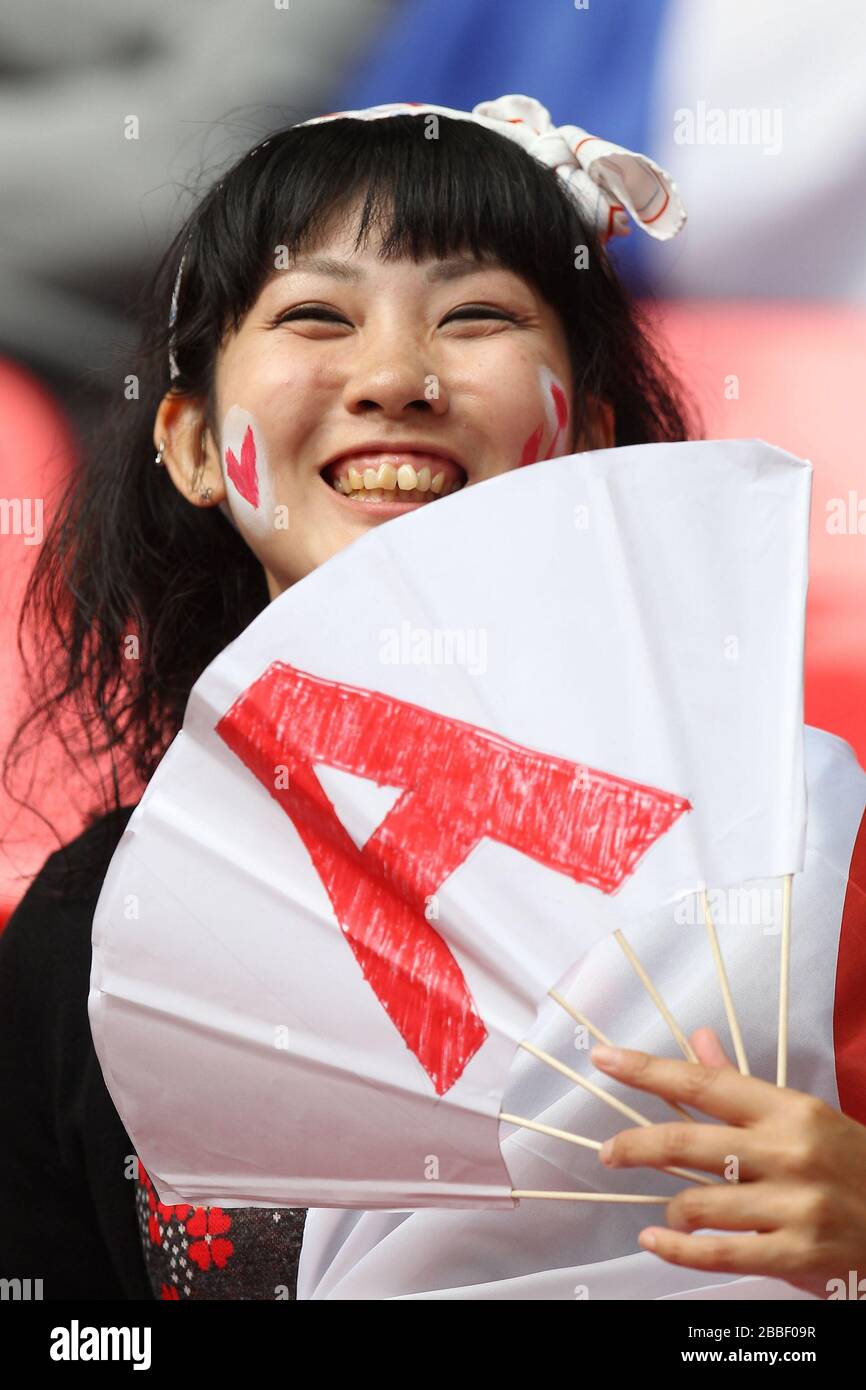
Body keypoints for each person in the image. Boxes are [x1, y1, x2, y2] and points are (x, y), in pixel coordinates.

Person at [1, 95, 863, 1302]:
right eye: (315, 314)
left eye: (474, 317)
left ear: (586, 443)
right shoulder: (89, 928)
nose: (397, 376)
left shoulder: (813, 841)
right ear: (194, 445)